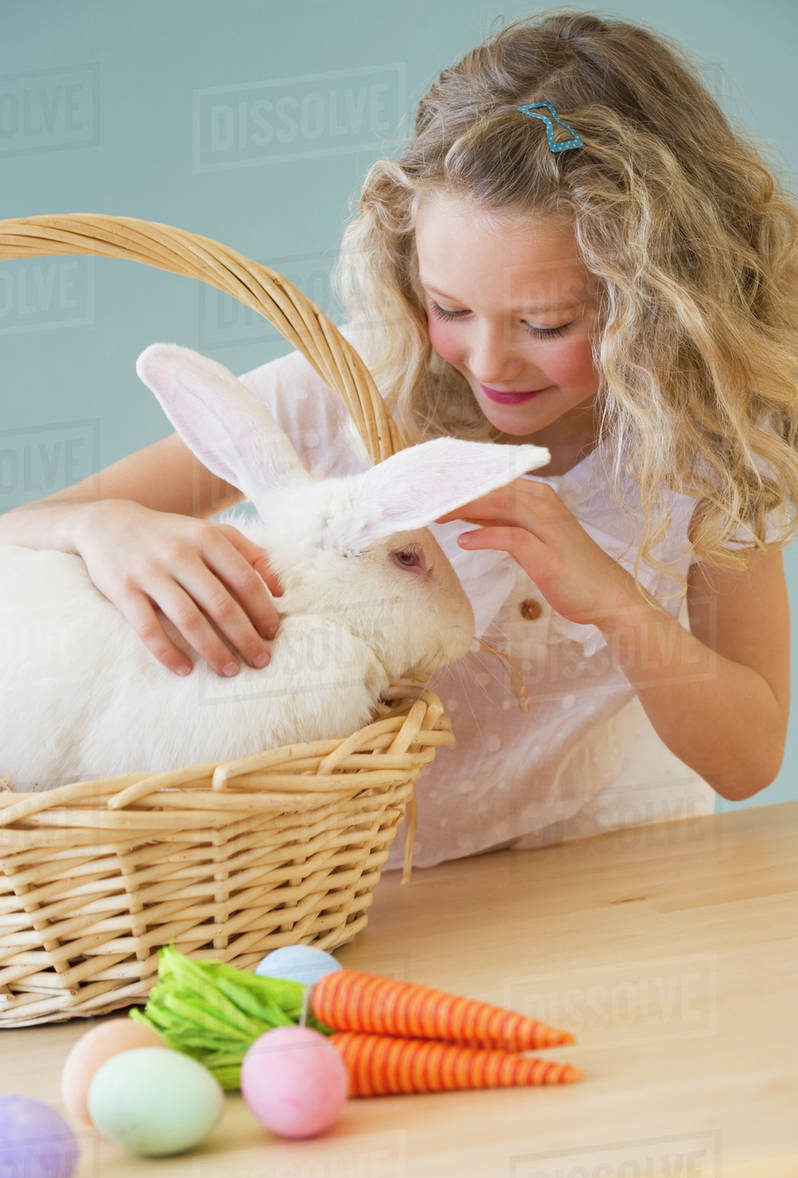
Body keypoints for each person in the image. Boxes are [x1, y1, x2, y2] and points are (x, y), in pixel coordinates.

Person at [2, 10, 797, 870]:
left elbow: (749, 758)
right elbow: (19, 533)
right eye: (449, 307)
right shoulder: (345, 387)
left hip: (612, 876)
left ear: (662, 297)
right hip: (357, 897)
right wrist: (101, 526)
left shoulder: (709, 443)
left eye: (546, 324)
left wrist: (615, 601)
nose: (488, 361)